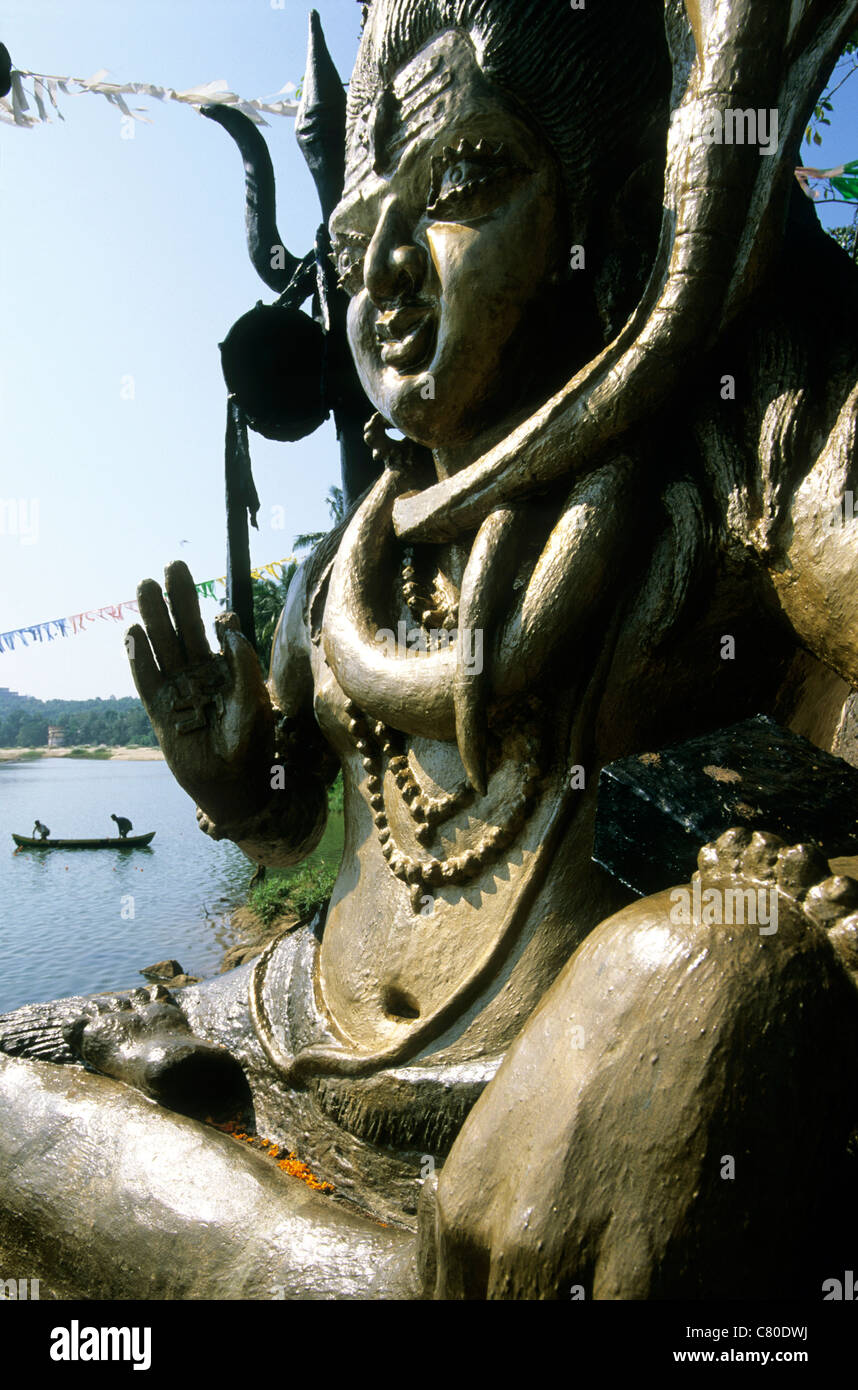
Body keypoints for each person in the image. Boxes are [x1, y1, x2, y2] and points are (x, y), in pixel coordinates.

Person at [2, 0, 858, 1300]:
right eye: (356, 236)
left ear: (614, 215)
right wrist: (238, 782)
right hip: (280, 1007)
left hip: (509, 1077)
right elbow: (298, 833)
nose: (384, 272)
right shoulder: (351, 569)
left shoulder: (708, 476)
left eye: (460, 184)